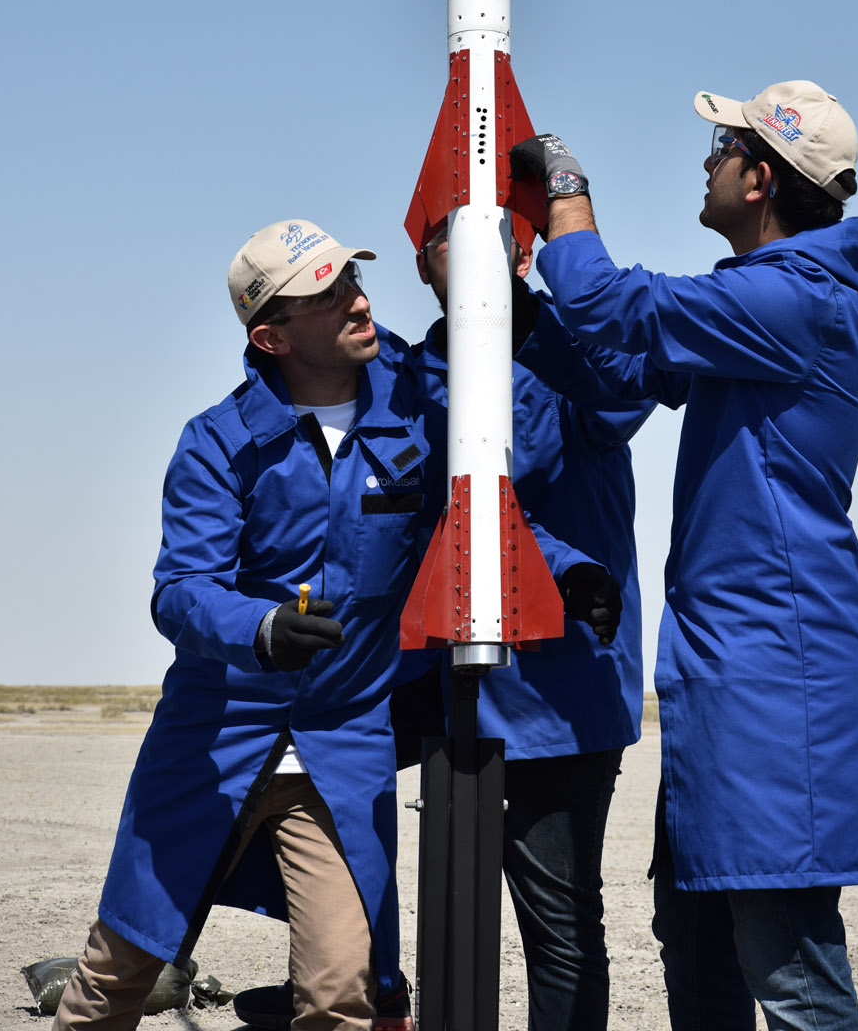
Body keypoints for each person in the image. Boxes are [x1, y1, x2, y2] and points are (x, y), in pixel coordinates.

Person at [53, 218, 600, 1031]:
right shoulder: (216, 443)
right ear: (270, 335)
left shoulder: (416, 415)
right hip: (213, 742)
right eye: (327, 294)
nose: (358, 300)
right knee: (117, 975)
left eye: (351, 279)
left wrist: (566, 570)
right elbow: (179, 591)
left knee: (343, 994)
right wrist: (263, 626)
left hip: (340, 751)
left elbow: (479, 517)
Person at [510, 82, 858, 1031]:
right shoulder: (765, 308)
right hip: (729, 675)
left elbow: (611, 302)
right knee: (698, 939)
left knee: (790, 970)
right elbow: (622, 363)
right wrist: (502, 316)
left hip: (772, 676)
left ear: (759, 179)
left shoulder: (795, 298)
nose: (706, 165)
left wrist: (566, 190)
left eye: (719, 150)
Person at [232, 224, 646, 1031]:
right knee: (313, 807)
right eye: (447, 236)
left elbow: (621, 394)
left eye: (493, 233)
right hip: (427, 675)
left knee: (559, 923)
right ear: (423, 263)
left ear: (522, 256)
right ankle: (360, 988)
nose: (470, 246)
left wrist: (524, 319)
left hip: (559, 690)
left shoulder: (573, 361)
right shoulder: (400, 375)